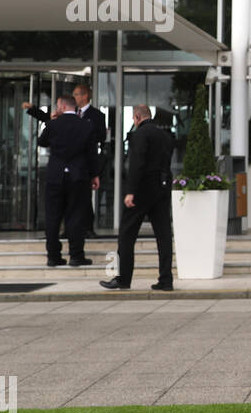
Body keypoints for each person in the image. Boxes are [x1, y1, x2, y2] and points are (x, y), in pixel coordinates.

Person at [101, 104, 174, 292]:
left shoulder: (140, 134)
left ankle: (123, 279)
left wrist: (131, 191)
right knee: (163, 235)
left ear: (136, 117)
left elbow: (137, 163)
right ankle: (166, 279)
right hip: (161, 188)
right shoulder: (165, 135)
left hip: (142, 190)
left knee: (126, 234)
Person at [24, 83, 107, 239]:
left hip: (83, 164)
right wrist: (34, 109)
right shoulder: (62, 117)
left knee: (82, 201)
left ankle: (86, 229)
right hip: (62, 169)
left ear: (85, 96)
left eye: (76, 94)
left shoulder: (96, 115)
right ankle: (69, 232)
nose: (74, 98)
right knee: (65, 204)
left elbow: (100, 137)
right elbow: (49, 124)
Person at [38, 95, 100, 267]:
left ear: (62, 106)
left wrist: (50, 122)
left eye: (57, 106)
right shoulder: (86, 126)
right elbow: (92, 154)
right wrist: (95, 175)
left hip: (55, 175)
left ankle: (53, 256)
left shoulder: (53, 124)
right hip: (78, 175)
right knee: (76, 215)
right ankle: (76, 255)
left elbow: (41, 142)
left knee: (53, 217)